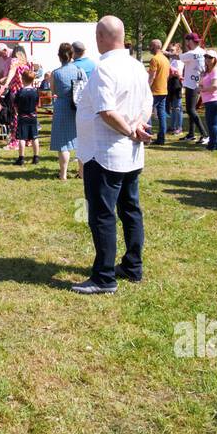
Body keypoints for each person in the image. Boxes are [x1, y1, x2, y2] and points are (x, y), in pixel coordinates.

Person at [72, 15, 152, 295]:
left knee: (103, 215)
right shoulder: (136, 66)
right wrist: (139, 125)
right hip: (128, 154)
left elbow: (107, 111)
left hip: (104, 153)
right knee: (130, 210)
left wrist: (131, 130)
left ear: (102, 37)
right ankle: (132, 265)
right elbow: (147, 104)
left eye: (97, 35)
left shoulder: (104, 68)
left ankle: (104, 277)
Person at [48, 42, 82, 181]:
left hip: (62, 107)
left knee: (63, 143)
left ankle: (63, 174)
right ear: (72, 55)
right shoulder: (79, 70)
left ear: (59, 56)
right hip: (78, 108)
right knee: (80, 141)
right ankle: (82, 173)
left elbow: (53, 91)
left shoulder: (56, 73)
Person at [179, 32, 208, 143]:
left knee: (190, 110)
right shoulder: (202, 52)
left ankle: (204, 134)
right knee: (192, 109)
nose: (186, 43)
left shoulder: (191, 53)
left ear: (190, 41)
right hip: (199, 83)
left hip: (191, 84)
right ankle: (191, 133)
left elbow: (178, 57)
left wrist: (165, 52)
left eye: (187, 41)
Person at [199, 50, 217, 150]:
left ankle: (213, 145)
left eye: (210, 57)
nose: (207, 59)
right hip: (210, 100)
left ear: (215, 59)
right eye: (206, 57)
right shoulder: (207, 71)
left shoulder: (216, 71)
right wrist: (201, 82)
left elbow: (215, 86)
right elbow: (202, 83)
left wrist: (202, 89)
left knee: (213, 124)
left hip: (215, 100)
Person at [13, 68, 41, 166]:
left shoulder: (20, 92)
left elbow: (15, 105)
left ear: (22, 79)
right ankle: (36, 157)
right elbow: (38, 104)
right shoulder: (35, 91)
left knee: (22, 138)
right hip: (33, 116)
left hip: (22, 117)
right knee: (35, 137)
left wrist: (17, 113)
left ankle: (21, 158)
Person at [146, 39, 170, 145]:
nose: (149, 48)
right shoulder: (165, 59)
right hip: (164, 90)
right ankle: (161, 138)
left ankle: (148, 136)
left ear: (155, 47)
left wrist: (146, 88)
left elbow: (152, 76)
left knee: (146, 113)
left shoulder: (154, 59)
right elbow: (167, 76)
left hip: (155, 91)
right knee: (162, 115)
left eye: (150, 46)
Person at [166, 44, 184, 136]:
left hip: (177, 84)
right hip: (171, 84)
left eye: (172, 50)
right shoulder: (172, 60)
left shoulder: (178, 61)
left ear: (177, 51)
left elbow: (179, 74)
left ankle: (179, 127)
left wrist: (172, 72)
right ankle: (173, 126)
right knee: (173, 107)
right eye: (169, 50)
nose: (170, 52)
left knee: (177, 107)